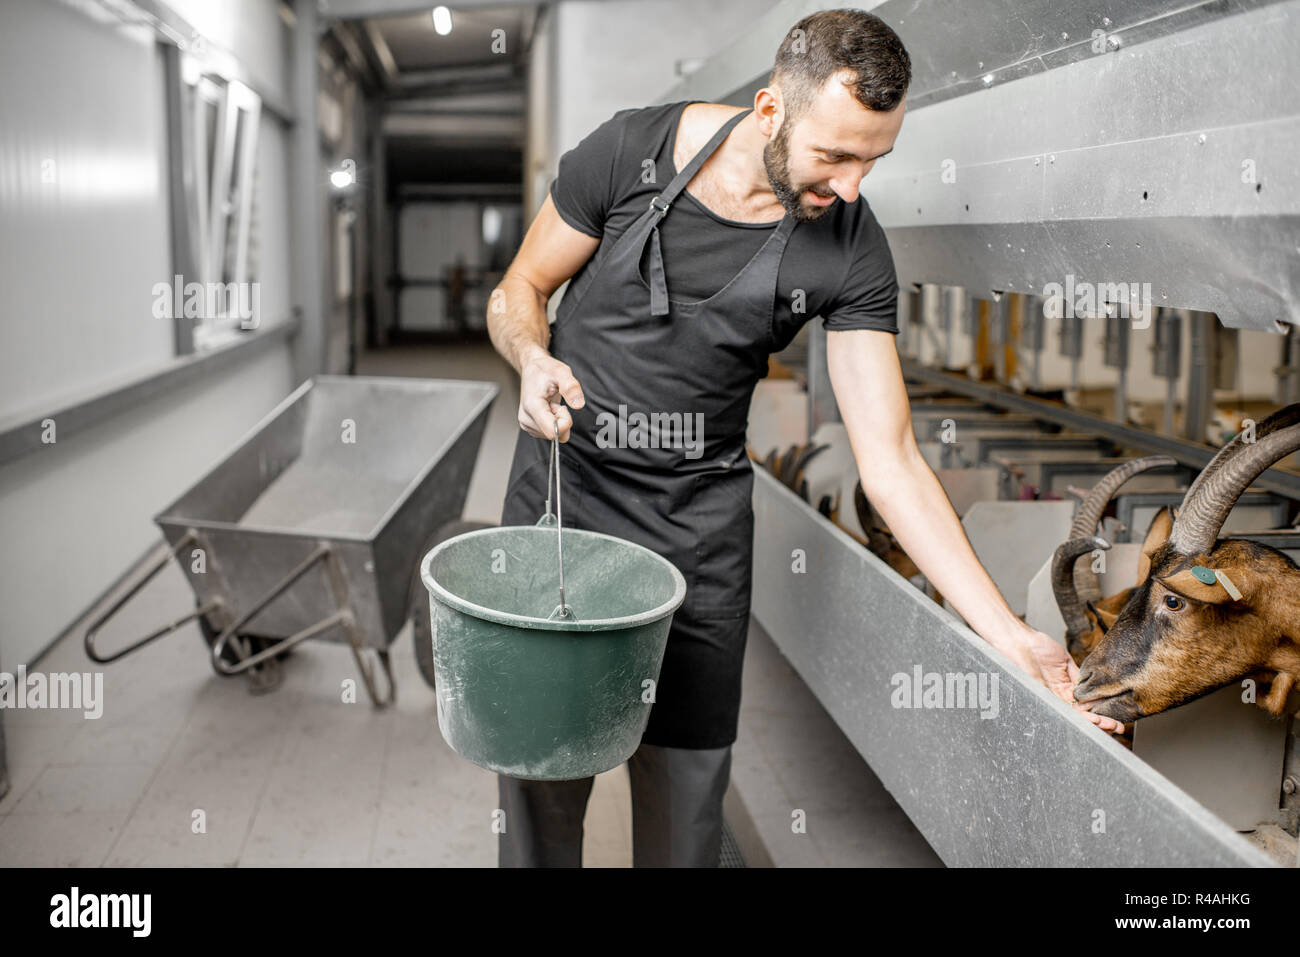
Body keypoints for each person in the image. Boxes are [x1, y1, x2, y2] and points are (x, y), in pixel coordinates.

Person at [485, 8, 1124, 868]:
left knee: (683, 821)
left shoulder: (849, 250)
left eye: (875, 158)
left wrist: (1010, 635)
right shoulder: (626, 154)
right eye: (835, 155)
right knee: (541, 789)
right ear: (769, 111)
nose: (854, 186)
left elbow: (891, 460)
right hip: (564, 512)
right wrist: (530, 358)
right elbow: (519, 286)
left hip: (696, 548)